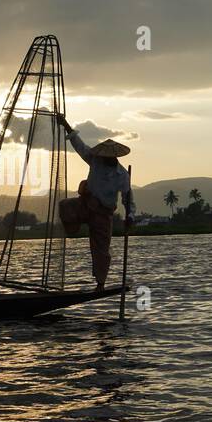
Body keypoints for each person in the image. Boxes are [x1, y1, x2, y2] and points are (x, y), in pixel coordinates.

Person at [55, 114, 135, 290]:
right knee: (65, 207)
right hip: (86, 205)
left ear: (114, 158)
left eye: (108, 157)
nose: (105, 159)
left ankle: (100, 283)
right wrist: (66, 125)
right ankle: (75, 230)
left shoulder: (122, 175)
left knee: (101, 250)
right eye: (103, 156)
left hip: (103, 214)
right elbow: (80, 146)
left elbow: (128, 199)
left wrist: (130, 216)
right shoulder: (95, 160)